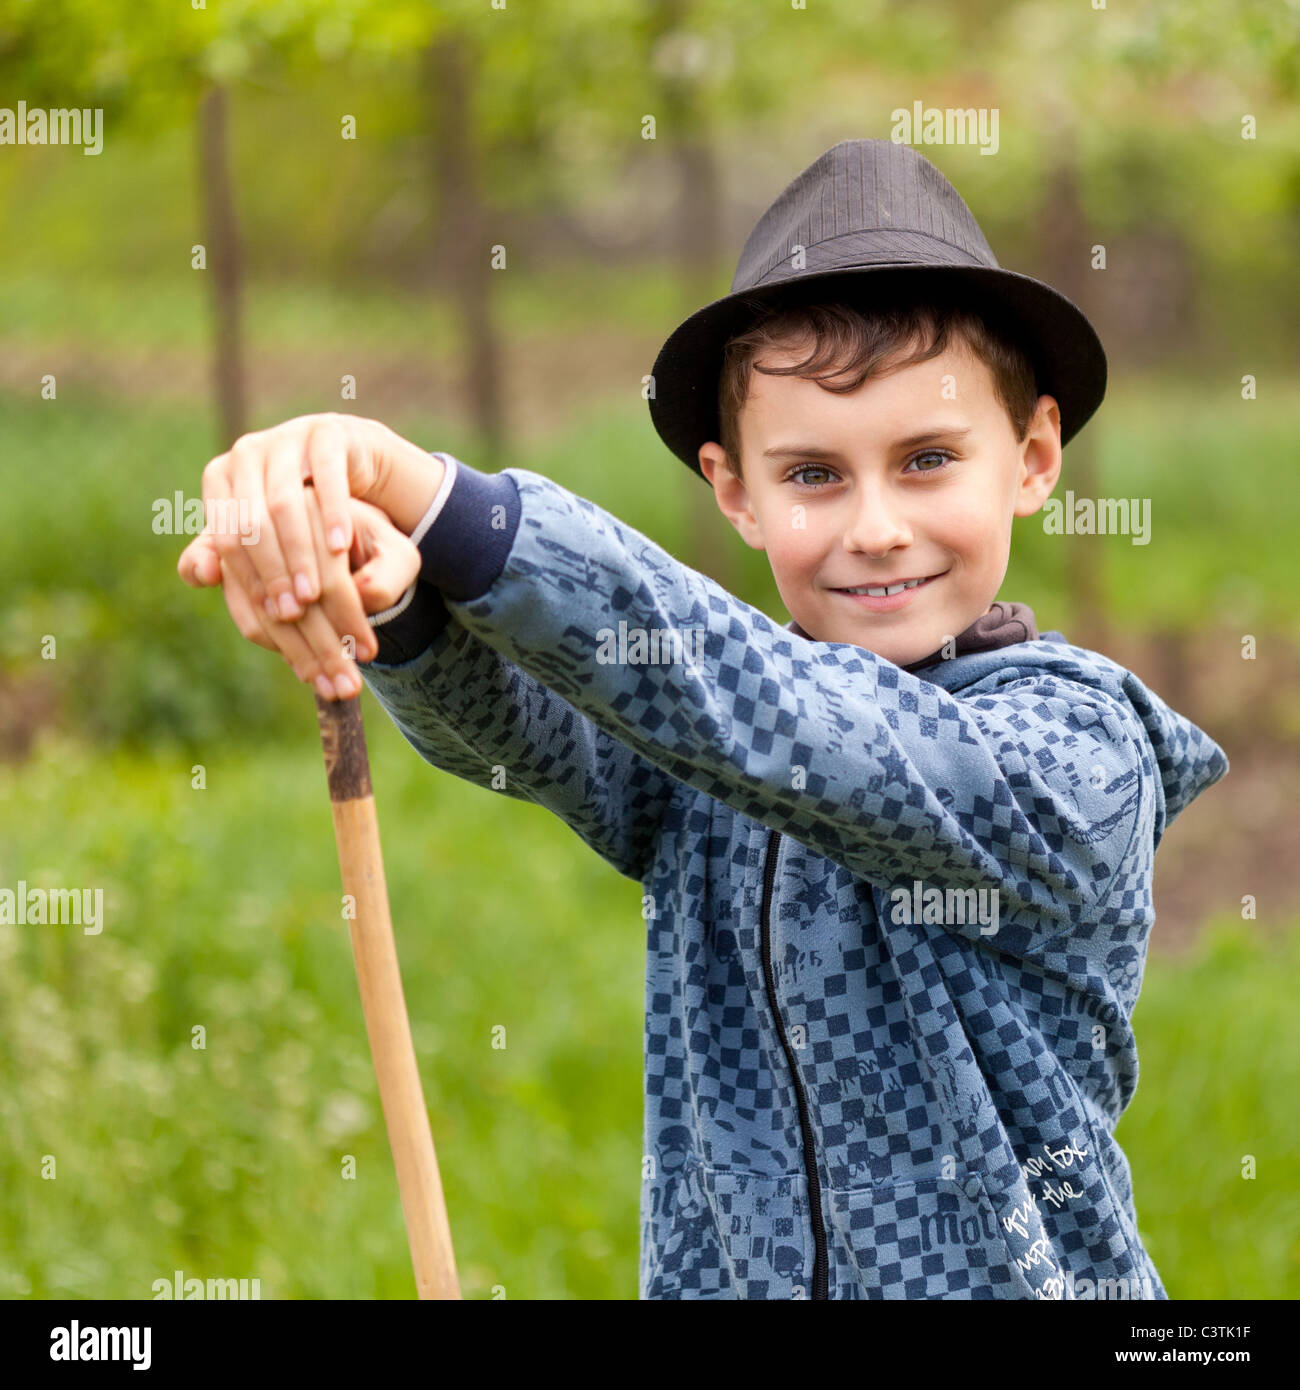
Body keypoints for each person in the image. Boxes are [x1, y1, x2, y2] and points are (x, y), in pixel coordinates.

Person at [179, 139, 1228, 1299]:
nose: (876, 526)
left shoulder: (1077, 754)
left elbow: (820, 739)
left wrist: (448, 503)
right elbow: (533, 736)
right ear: (734, 491)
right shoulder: (715, 744)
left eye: (928, 459)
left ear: (1031, 458)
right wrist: (406, 602)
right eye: (814, 475)